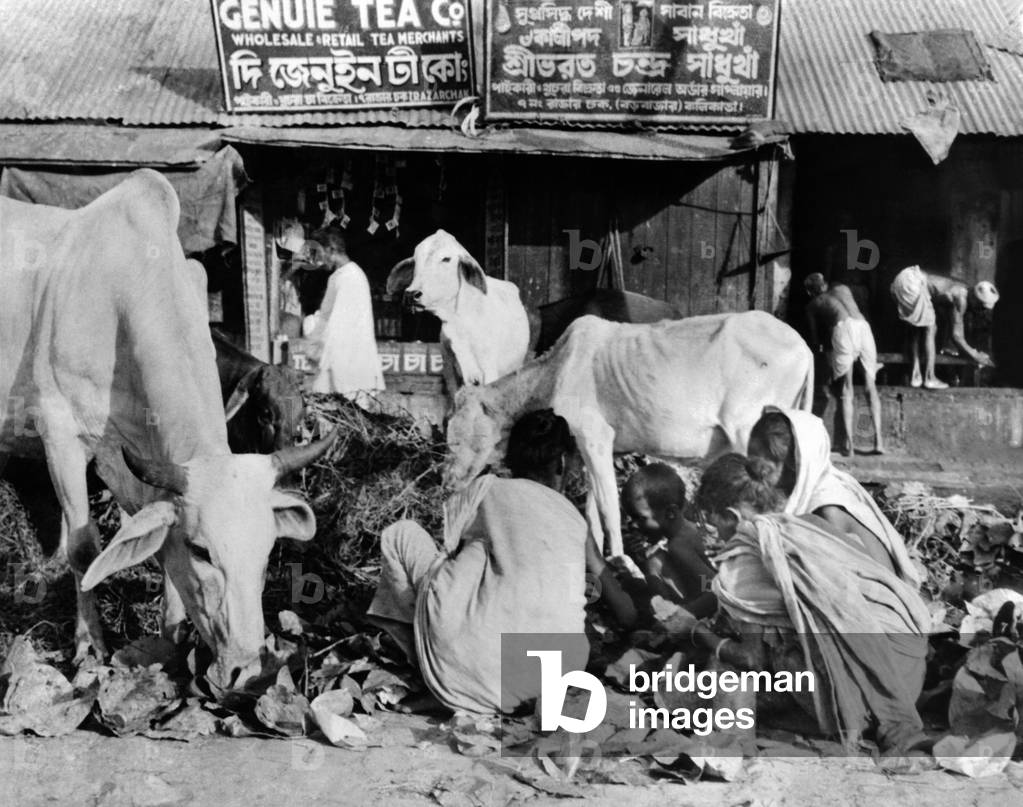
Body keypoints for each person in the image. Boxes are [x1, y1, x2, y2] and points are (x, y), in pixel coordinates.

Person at [366, 409, 635, 715]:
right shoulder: (576, 520)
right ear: (562, 462)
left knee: (403, 536)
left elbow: (449, 546)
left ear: (509, 459)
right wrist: (634, 619)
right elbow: (623, 610)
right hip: (556, 673)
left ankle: (437, 678)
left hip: (479, 661)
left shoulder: (486, 491)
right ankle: (485, 687)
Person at [663, 453, 931, 753]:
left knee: (728, 664)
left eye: (712, 525)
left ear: (731, 516)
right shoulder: (808, 524)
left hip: (865, 696)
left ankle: (733, 737)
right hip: (906, 678)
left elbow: (750, 659)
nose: (712, 535)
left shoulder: (746, 556)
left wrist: (694, 629)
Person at [746, 407, 922, 587]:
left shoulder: (827, 511)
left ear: (796, 463)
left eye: (764, 469)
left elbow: (838, 589)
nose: (757, 477)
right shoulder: (821, 487)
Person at [804, 273, 883, 456]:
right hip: (863, 326)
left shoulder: (813, 304)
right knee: (870, 386)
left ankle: (850, 446)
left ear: (810, 291)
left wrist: (823, 349)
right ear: (825, 284)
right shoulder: (843, 288)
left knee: (847, 387)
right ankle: (879, 442)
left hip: (842, 328)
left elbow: (815, 339)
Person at [621, 464, 717, 617]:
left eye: (640, 518)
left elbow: (714, 586)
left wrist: (683, 615)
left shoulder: (678, 545)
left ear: (671, 513)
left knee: (654, 563)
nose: (633, 525)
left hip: (720, 607)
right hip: (716, 596)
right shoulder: (691, 528)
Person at [304, 228, 385, 407]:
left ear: (331, 249)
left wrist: (319, 349)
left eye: (319, 253)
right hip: (338, 359)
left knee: (350, 412)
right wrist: (313, 340)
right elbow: (325, 316)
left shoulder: (351, 277)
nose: (317, 260)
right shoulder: (337, 277)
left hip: (351, 362)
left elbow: (338, 325)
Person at [889, 266, 999, 389]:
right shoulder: (961, 299)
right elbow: (956, 336)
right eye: (981, 307)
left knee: (916, 329)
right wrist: (975, 355)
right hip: (913, 283)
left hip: (904, 279)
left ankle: (916, 375)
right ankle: (929, 378)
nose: (980, 311)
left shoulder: (961, 289)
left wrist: (967, 351)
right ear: (974, 299)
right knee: (931, 328)